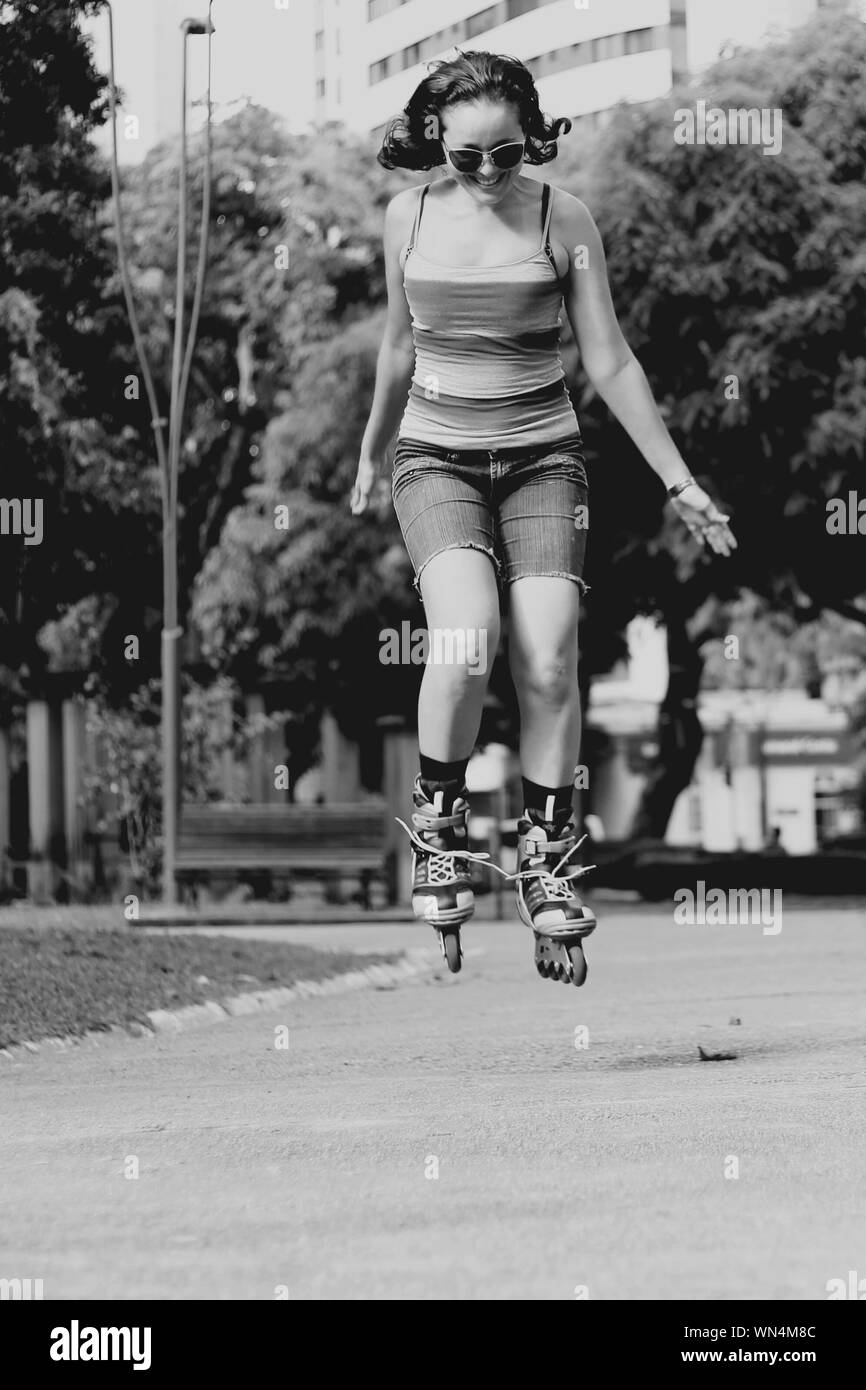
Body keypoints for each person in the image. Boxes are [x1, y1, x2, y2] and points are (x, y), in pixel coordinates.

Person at [351, 51, 736, 985]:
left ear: (535, 135)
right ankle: (440, 834)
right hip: (435, 457)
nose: (489, 174)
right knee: (468, 638)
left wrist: (678, 481)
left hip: (543, 459)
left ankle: (549, 860)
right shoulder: (406, 217)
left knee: (551, 653)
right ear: (436, 141)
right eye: (469, 156)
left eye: (509, 153)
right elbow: (397, 351)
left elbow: (608, 360)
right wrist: (368, 452)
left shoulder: (565, 218)